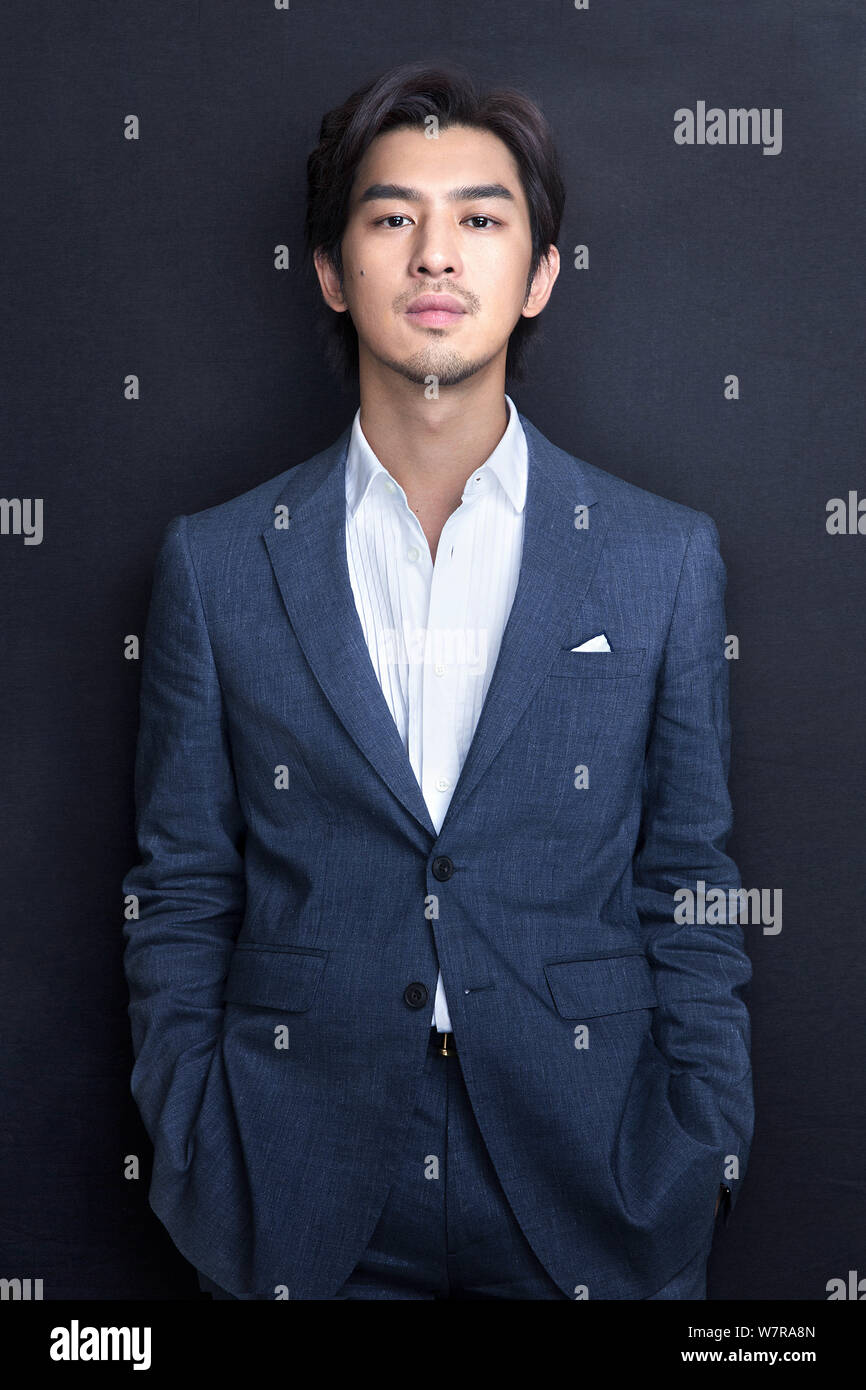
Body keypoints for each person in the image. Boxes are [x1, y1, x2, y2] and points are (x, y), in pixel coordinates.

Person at [122, 62, 753, 1301]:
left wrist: (700, 1136)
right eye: (390, 216)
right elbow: (182, 884)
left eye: (478, 218)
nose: (434, 256)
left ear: (539, 274)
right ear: (328, 267)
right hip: (295, 1176)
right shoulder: (214, 563)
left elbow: (691, 883)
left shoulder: (660, 557)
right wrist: (192, 1130)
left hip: (594, 1167)